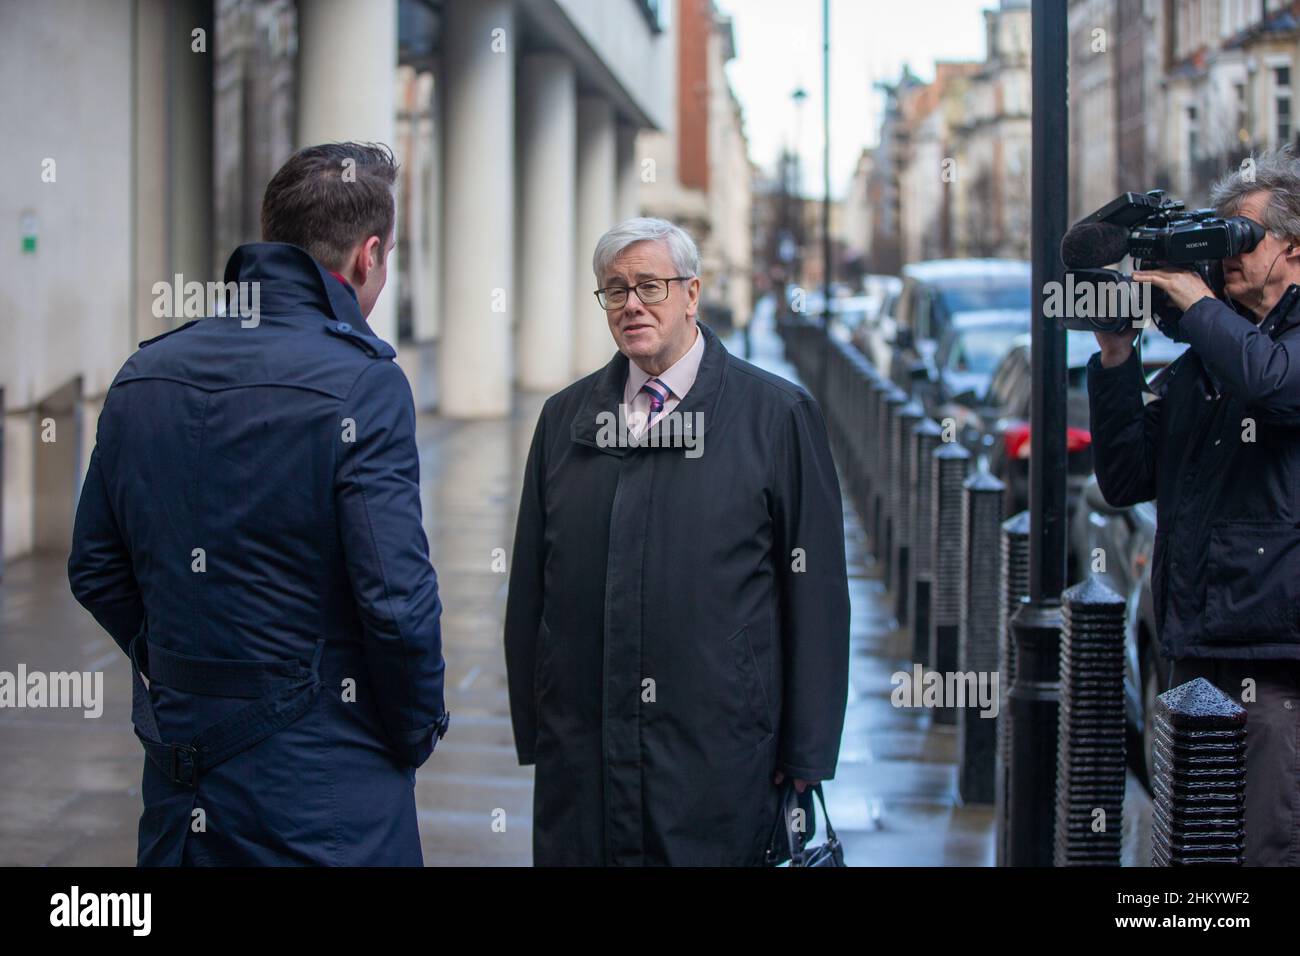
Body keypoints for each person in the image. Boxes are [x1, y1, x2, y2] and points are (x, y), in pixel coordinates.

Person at [67, 142, 448, 866]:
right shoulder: (363, 382)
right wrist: (412, 730)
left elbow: (94, 567)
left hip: (183, 787)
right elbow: (396, 604)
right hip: (325, 791)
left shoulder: (146, 369)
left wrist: (183, 671)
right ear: (369, 256)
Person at [503, 217, 850, 865]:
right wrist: (540, 731)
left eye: (650, 286)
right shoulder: (564, 419)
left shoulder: (776, 415)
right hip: (585, 769)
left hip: (715, 763)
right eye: (615, 290)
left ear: (692, 294)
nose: (632, 303)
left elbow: (818, 598)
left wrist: (807, 752)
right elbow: (530, 591)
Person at [1089, 147, 1300, 865]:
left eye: (1241, 236)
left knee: (1258, 855)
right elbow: (1124, 478)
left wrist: (1195, 299)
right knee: (1185, 858)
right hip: (1191, 648)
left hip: (1277, 667)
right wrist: (1117, 358)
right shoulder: (1209, 357)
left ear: (1293, 247)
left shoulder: (1266, 349)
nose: (1225, 255)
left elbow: (1271, 385)